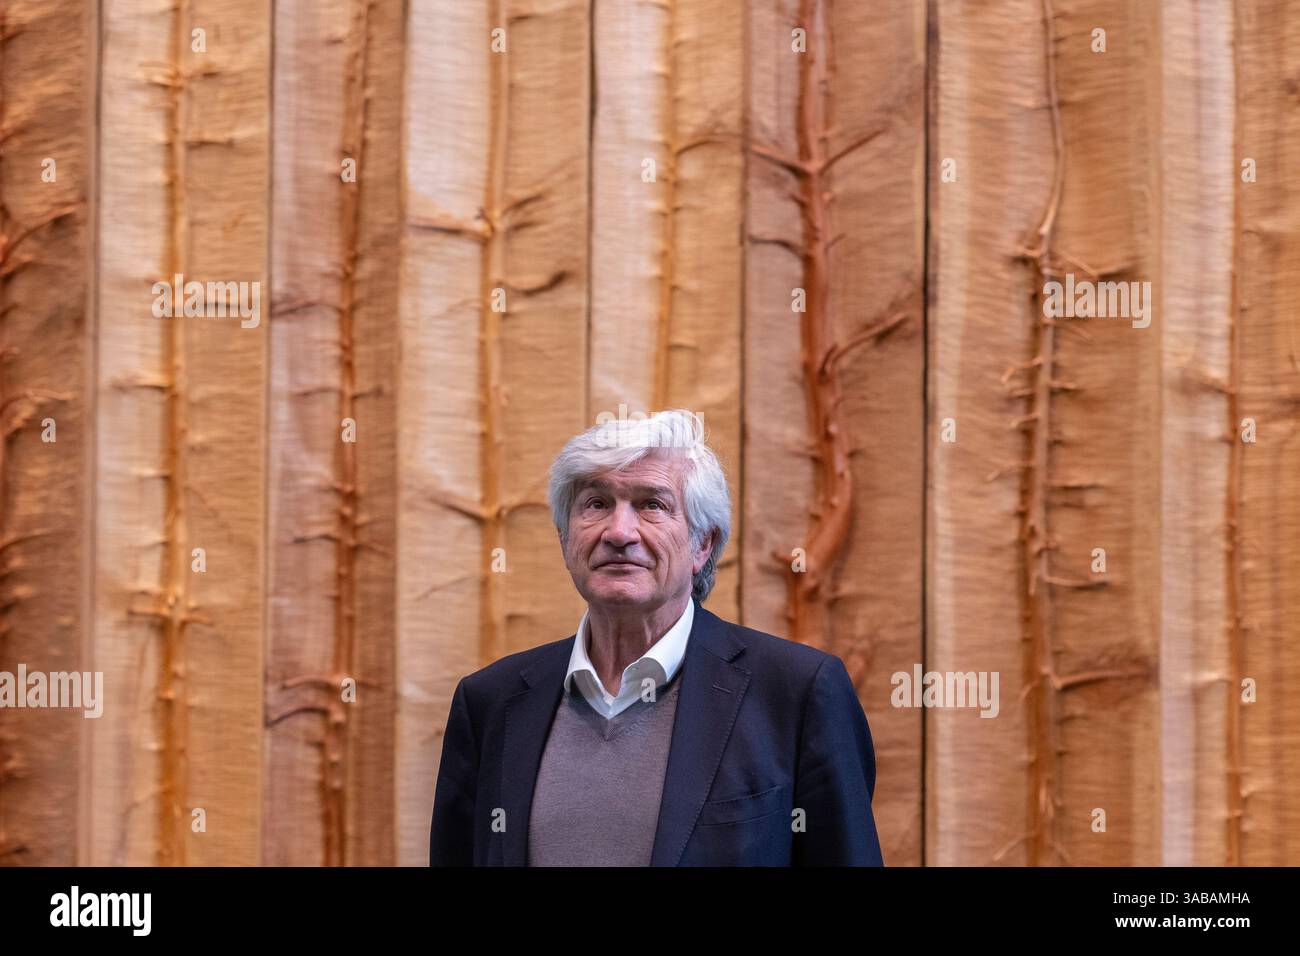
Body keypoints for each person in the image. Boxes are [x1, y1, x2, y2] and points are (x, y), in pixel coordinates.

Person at [428, 409, 884, 865]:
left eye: (652, 505)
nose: (620, 532)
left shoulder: (796, 693)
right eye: (596, 504)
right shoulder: (490, 702)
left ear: (702, 545)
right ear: (565, 539)